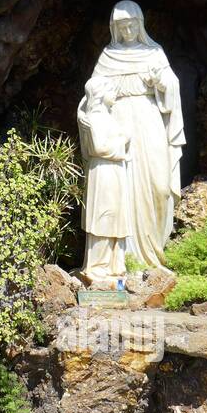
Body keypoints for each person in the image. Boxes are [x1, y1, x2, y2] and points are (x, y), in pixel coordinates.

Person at [80, 0, 185, 278]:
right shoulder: (108, 55)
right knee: (119, 189)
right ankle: (120, 259)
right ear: (114, 28)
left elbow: (171, 85)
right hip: (117, 123)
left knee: (158, 186)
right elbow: (92, 95)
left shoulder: (154, 53)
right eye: (121, 27)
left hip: (149, 120)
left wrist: (161, 82)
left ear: (139, 26)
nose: (126, 31)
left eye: (131, 26)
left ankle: (151, 255)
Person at [77, 76, 131, 285]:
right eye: (112, 90)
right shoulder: (97, 117)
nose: (115, 94)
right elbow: (98, 148)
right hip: (104, 171)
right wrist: (123, 139)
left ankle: (114, 267)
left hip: (113, 171)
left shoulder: (105, 116)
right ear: (100, 94)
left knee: (115, 216)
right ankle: (98, 267)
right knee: (104, 216)